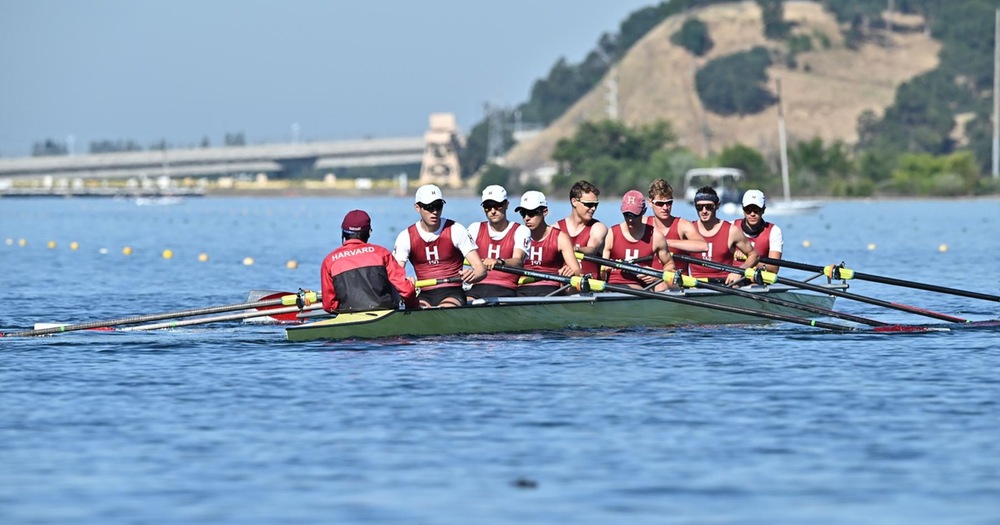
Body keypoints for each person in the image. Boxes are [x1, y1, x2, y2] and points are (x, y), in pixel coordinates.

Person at [393, 184, 486, 307]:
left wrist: (473, 275)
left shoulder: (456, 230)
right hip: (424, 293)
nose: (435, 211)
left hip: (453, 292)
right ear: (417, 207)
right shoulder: (406, 237)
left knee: (444, 309)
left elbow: (481, 269)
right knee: (418, 308)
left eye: (438, 206)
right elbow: (395, 275)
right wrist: (405, 282)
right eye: (429, 207)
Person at [321, 209, 418, 313]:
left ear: (343, 233)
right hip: (386, 315)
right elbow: (406, 290)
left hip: (348, 317)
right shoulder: (382, 254)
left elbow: (328, 305)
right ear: (368, 233)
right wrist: (414, 307)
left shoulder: (329, 261)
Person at [466, 185, 530, 300]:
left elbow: (518, 261)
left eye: (497, 205)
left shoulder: (521, 230)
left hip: (506, 289)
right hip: (477, 288)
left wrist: (498, 261)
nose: (493, 211)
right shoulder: (474, 228)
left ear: (507, 205)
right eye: (488, 207)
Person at [603, 190, 675, 291]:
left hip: (643, 289)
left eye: (634, 215)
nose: (630, 219)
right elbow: (602, 273)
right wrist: (604, 268)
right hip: (614, 286)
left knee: (668, 285)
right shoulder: (612, 233)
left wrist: (657, 275)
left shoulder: (656, 236)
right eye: (627, 214)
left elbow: (669, 265)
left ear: (644, 211)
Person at [515, 190, 583, 297]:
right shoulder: (518, 235)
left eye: (532, 213)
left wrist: (571, 271)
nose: (527, 218)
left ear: (545, 212)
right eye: (523, 213)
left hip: (550, 289)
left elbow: (577, 271)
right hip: (521, 288)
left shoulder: (560, 237)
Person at [691, 186, 759, 285]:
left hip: (725, 285)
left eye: (709, 206)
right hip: (694, 284)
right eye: (699, 207)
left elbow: (754, 255)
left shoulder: (732, 231)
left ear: (717, 205)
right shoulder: (689, 230)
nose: (704, 211)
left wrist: (739, 271)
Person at [645, 178, 707, 277]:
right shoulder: (644, 224)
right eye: (660, 203)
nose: (665, 208)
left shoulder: (682, 225)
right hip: (648, 282)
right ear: (650, 202)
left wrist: (665, 242)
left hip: (676, 285)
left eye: (669, 203)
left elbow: (703, 246)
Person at [556, 180, 607, 277]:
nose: (593, 209)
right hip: (562, 283)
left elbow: (592, 249)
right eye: (589, 204)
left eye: (596, 205)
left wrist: (574, 249)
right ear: (574, 201)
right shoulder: (556, 228)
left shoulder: (598, 227)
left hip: (590, 285)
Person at [733, 189, 783, 273]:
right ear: (743, 209)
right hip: (733, 279)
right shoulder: (732, 227)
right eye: (748, 210)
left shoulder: (774, 231)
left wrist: (750, 259)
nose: (752, 214)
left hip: (758, 282)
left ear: (763, 209)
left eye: (756, 209)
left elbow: (774, 268)